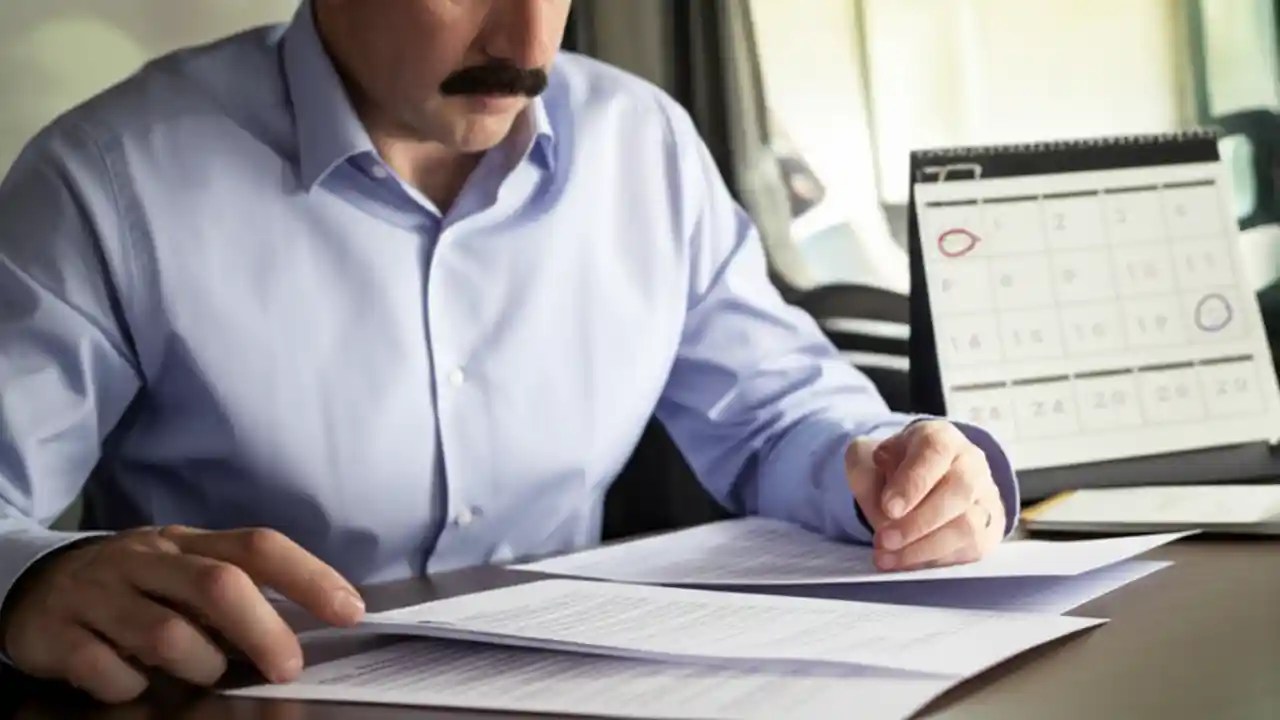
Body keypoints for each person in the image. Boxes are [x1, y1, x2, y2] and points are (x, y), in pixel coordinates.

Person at [0, 0, 1019, 705]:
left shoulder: (642, 145)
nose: (527, 44)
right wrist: (36, 582)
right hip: (247, 701)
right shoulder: (106, 180)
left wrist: (893, 473)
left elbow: (779, 417)